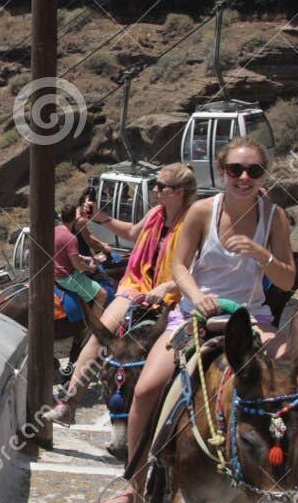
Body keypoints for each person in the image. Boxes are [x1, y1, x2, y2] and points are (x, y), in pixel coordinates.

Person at [107, 140, 298, 503]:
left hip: (251, 316)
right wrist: (197, 297)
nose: (244, 178)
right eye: (235, 170)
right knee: (147, 387)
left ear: (264, 174)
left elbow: (285, 277)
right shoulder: (201, 212)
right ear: (221, 172)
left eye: (253, 171)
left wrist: (260, 254)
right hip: (196, 312)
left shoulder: (274, 217)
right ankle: (137, 481)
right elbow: (179, 266)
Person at [53, 163, 198, 428]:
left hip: (175, 293)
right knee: (102, 334)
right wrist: (100, 217)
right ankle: (69, 404)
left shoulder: (194, 220)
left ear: (178, 192)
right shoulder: (156, 213)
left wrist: (167, 288)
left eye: (160, 186)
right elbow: (133, 233)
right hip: (138, 285)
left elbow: (198, 266)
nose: (154, 189)